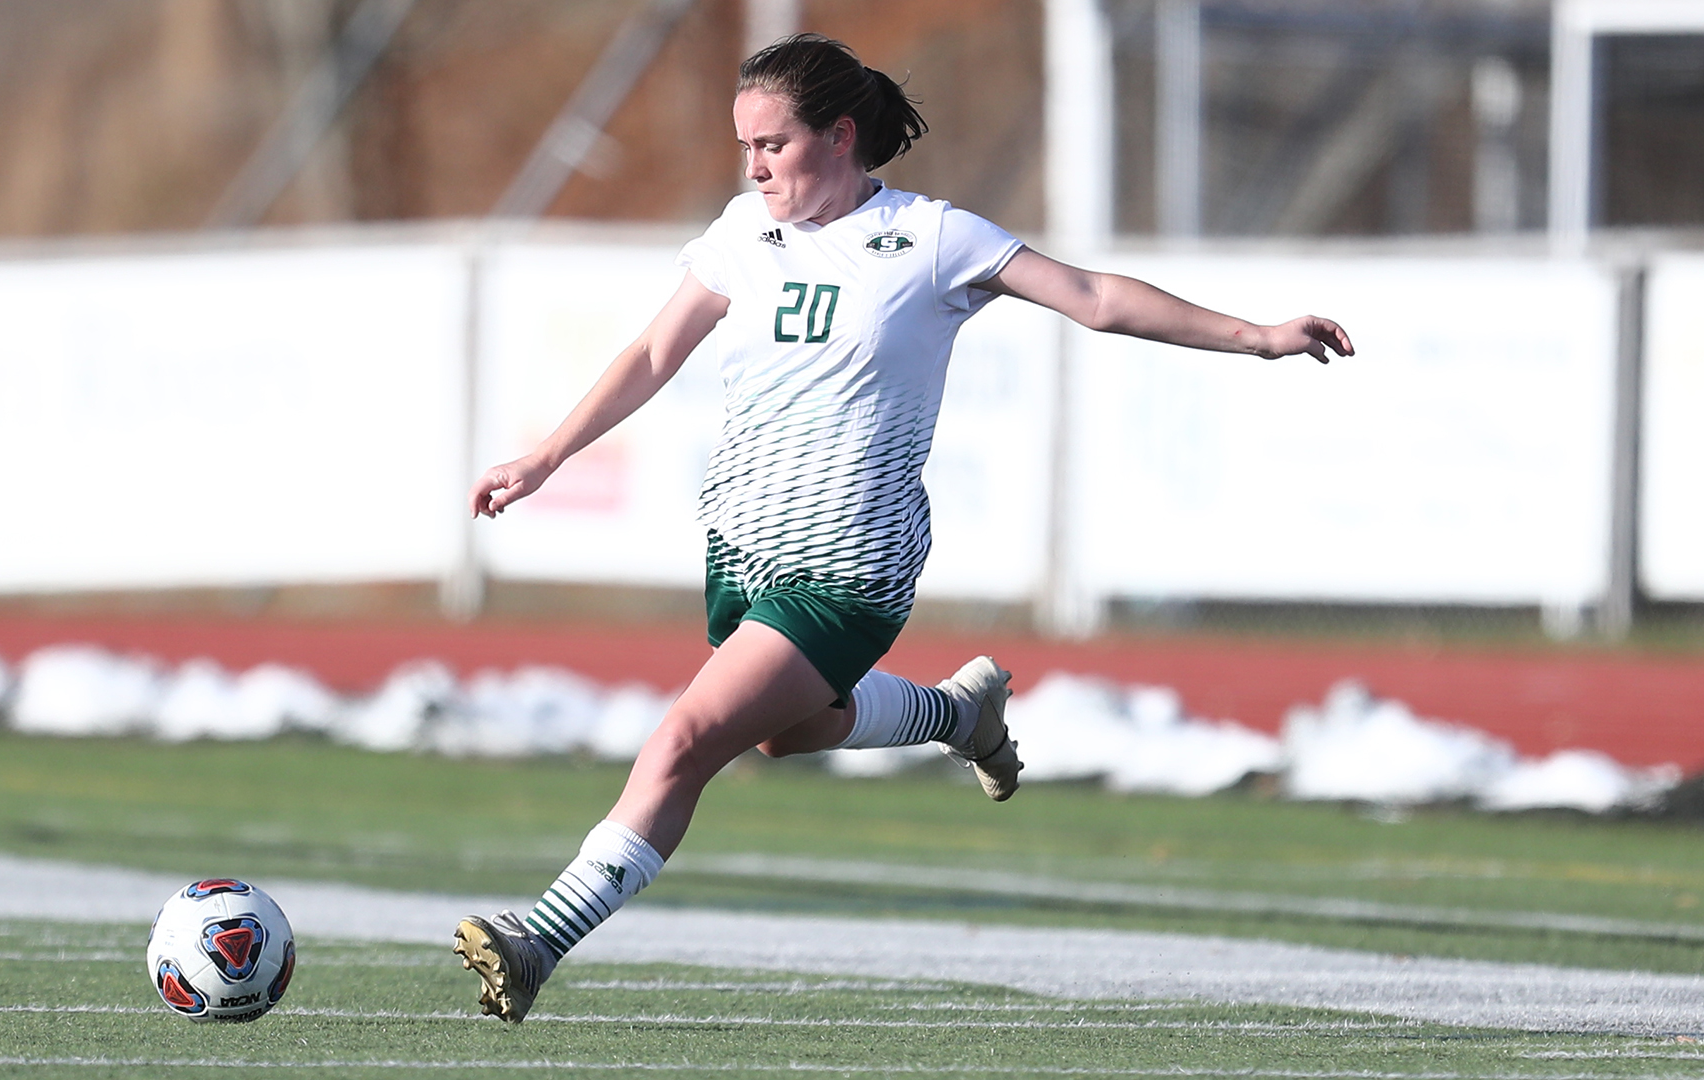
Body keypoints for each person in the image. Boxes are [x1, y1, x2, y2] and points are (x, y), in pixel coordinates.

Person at [453, 33, 1353, 1023]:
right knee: (784, 737)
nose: (755, 168)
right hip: (742, 546)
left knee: (684, 740)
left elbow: (1094, 300)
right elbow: (654, 351)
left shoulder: (931, 239)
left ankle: (540, 939)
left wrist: (1257, 336)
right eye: (745, 146)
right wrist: (547, 454)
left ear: (840, 137)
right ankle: (959, 717)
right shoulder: (741, 235)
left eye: (774, 146)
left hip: (849, 562)